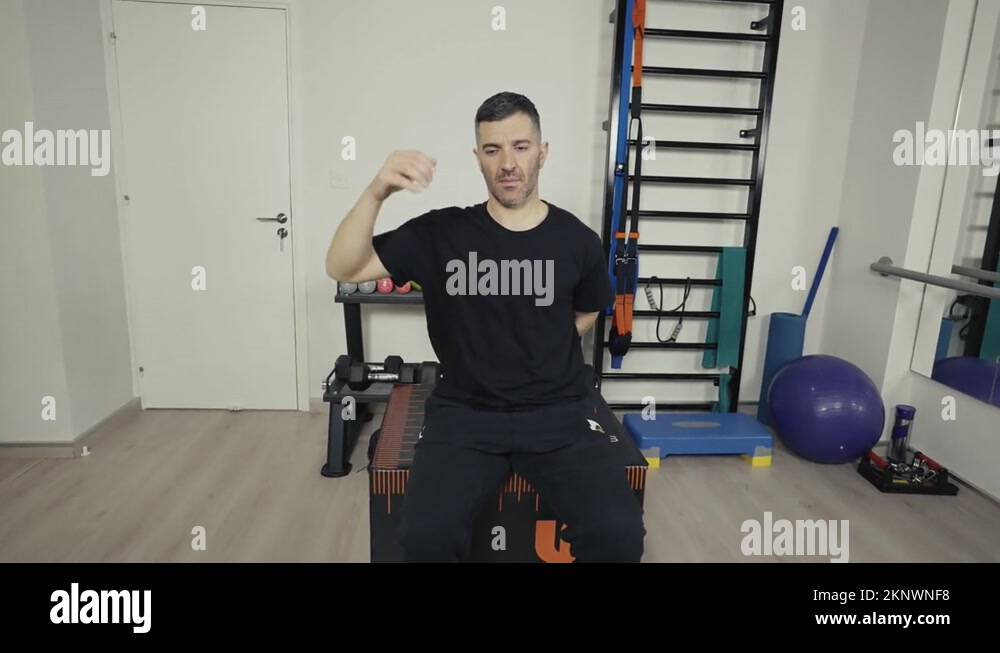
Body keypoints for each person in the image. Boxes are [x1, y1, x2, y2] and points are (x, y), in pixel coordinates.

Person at [325, 91, 645, 562]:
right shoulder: (440, 234)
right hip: (464, 416)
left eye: (520, 146)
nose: (508, 163)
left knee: (618, 534)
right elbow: (343, 267)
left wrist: (544, 347)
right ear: (478, 159)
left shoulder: (578, 241)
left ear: (543, 152)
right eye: (493, 150)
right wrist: (377, 190)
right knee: (423, 540)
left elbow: (587, 311)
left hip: (558, 413)